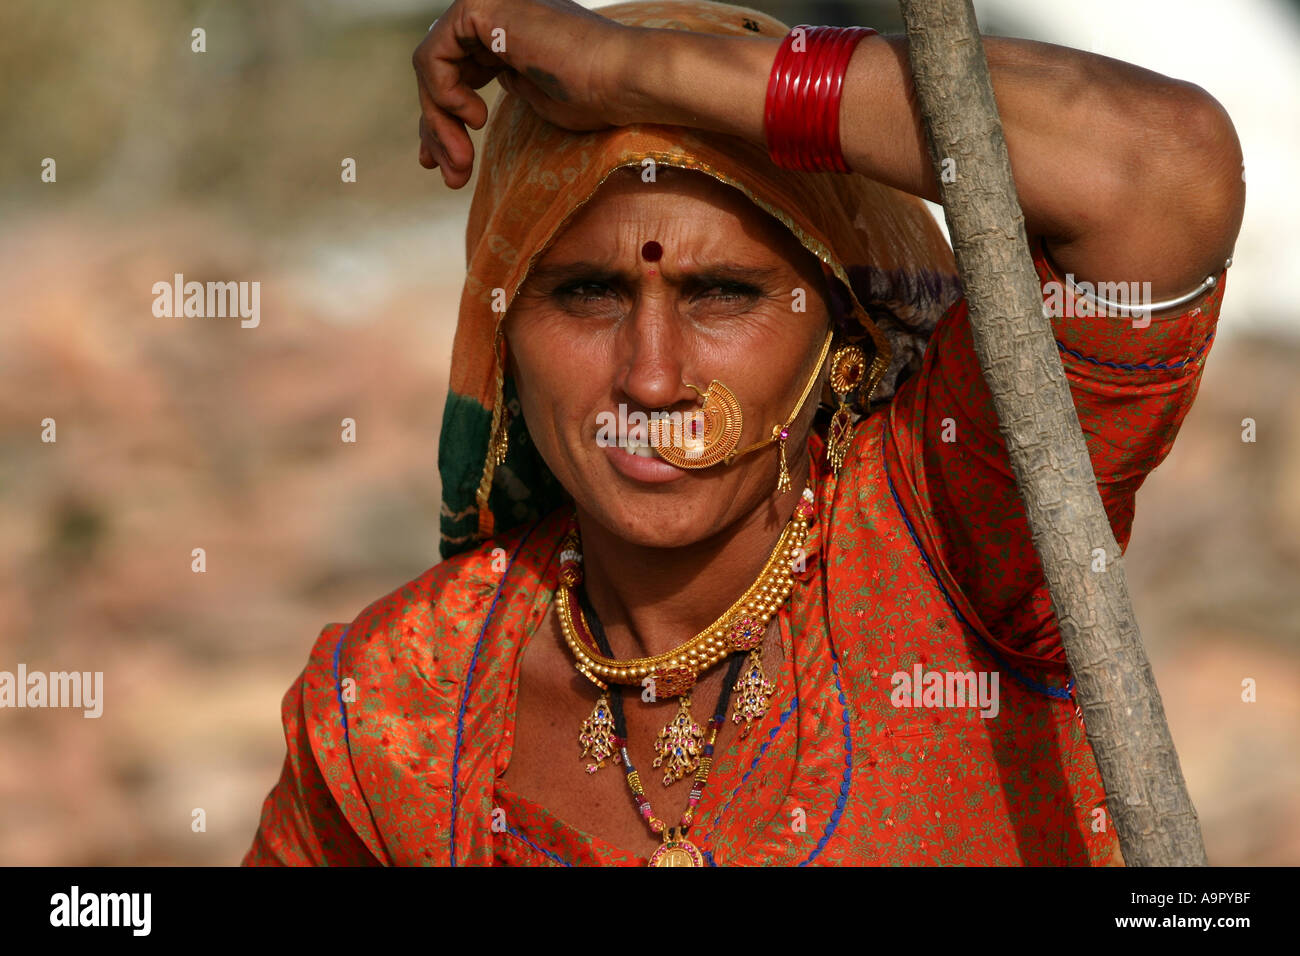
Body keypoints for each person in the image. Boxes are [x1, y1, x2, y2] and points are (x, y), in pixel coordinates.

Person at [242, 0, 1244, 866]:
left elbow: (1160, 168)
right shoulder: (397, 699)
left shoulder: (950, 532)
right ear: (503, 338)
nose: (649, 376)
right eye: (585, 293)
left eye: (722, 293)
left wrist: (626, 68)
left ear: (841, 338)